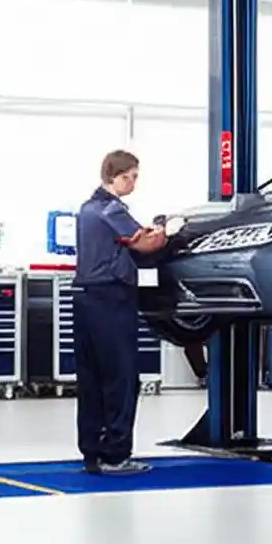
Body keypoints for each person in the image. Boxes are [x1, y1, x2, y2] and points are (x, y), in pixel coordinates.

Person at [73, 149, 168, 475]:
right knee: (121, 377)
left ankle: (93, 453)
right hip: (111, 300)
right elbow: (145, 244)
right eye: (131, 176)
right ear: (116, 175)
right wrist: (168, 232)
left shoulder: (86, 210)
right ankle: (116, 456)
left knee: (91, 379)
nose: (134, 183)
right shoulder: (111, 210)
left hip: (85, 299)